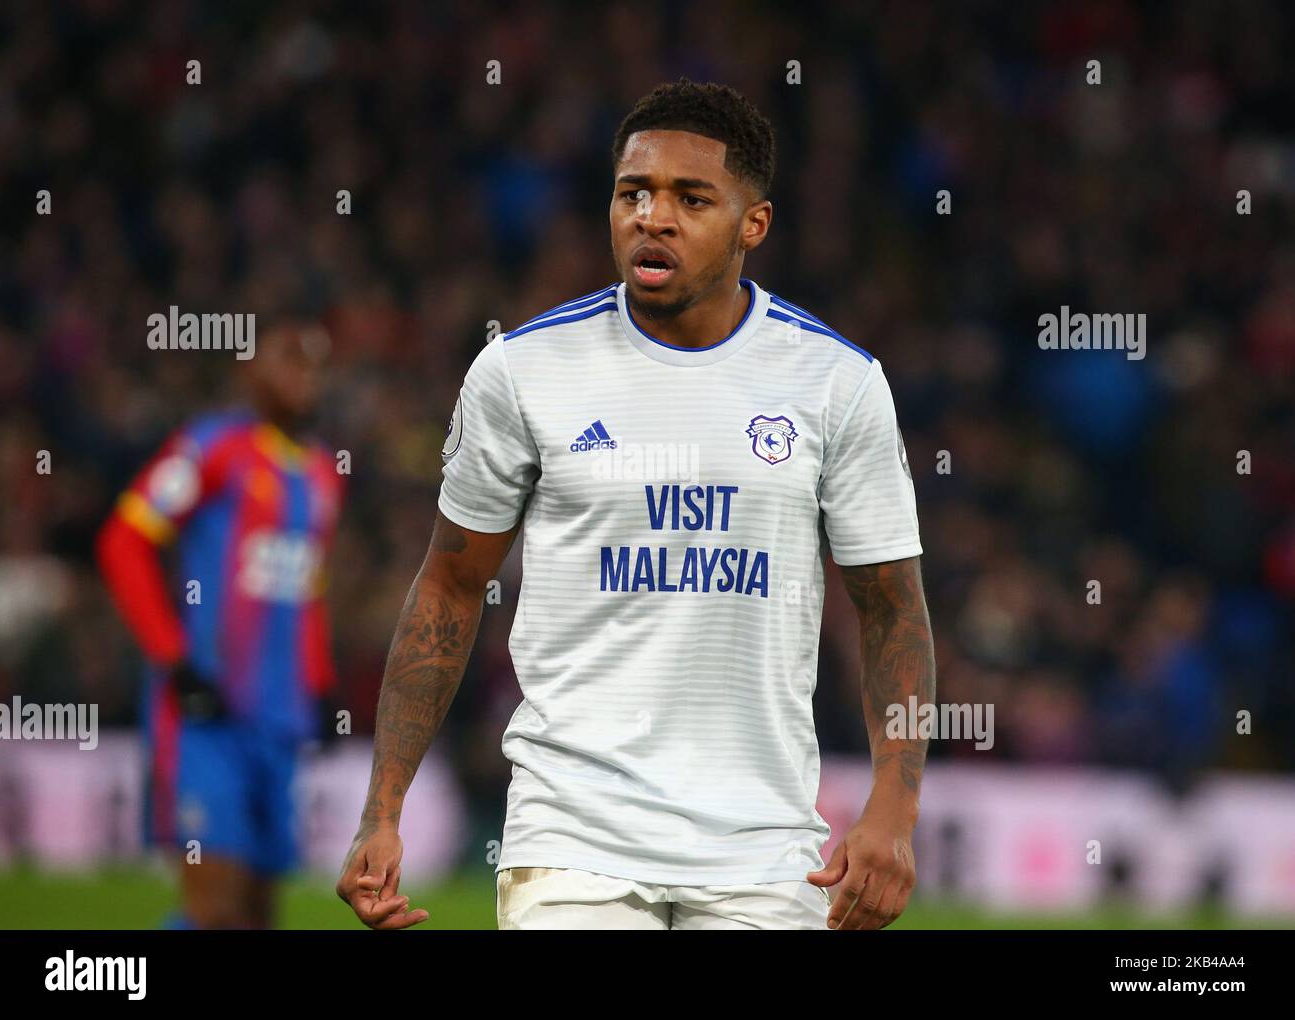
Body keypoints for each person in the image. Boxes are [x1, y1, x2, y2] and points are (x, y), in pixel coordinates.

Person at [337, 78, 935, 930]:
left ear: (752, 224)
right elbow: (448, 585)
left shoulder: (837, 384)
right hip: (573, 835)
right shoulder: (523, 371)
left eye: (691, 198)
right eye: (633, 193)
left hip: (762, 850)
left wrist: (894, 813)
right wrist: (383, 808)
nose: (652, 217)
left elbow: (893, 611)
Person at [98, 320, 344, 929]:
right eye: (288, 359)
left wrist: (319, 681)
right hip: (207, 716)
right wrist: (173, 657)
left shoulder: (320, 474)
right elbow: (124, 539)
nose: (302, 375)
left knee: (259, 916)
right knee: (214, 911)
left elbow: (304, 587)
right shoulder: (213, 447)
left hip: (278, 724)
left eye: (313, 363)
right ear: (252, 371)